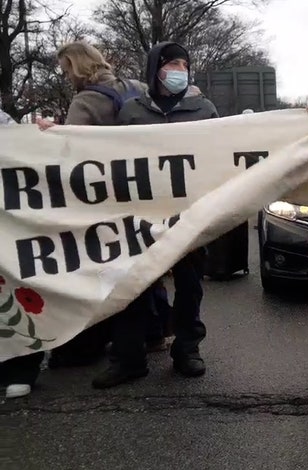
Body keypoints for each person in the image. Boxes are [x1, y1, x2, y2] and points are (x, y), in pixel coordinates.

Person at [91, 41, 219, 389]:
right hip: (141, 217)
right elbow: (104, 154)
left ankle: (187, 350)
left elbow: (224, 152)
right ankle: (128, 359)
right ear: (155, 68)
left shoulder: (203, 109)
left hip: (189, 214)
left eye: (183, 64)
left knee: (190, 285)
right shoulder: (132, 111)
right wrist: (50, 134)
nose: (178, 70)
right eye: (171, 64)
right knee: (133, 285)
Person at [37, 41, 151, 369]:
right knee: (148, 260)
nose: (65, 77)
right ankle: (156, 331)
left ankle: (106, 345)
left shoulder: (85, 101)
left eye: (65, 70)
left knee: (110, 265)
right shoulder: (137, 88)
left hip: (105, 198)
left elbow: (70, 151)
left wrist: (50, 133)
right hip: (144, 191)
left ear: (76, 67)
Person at [0, 109, 44, 399]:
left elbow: (26, 157)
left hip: (9, 220)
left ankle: (21, 368)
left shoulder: (4, 123)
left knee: (14, 293)